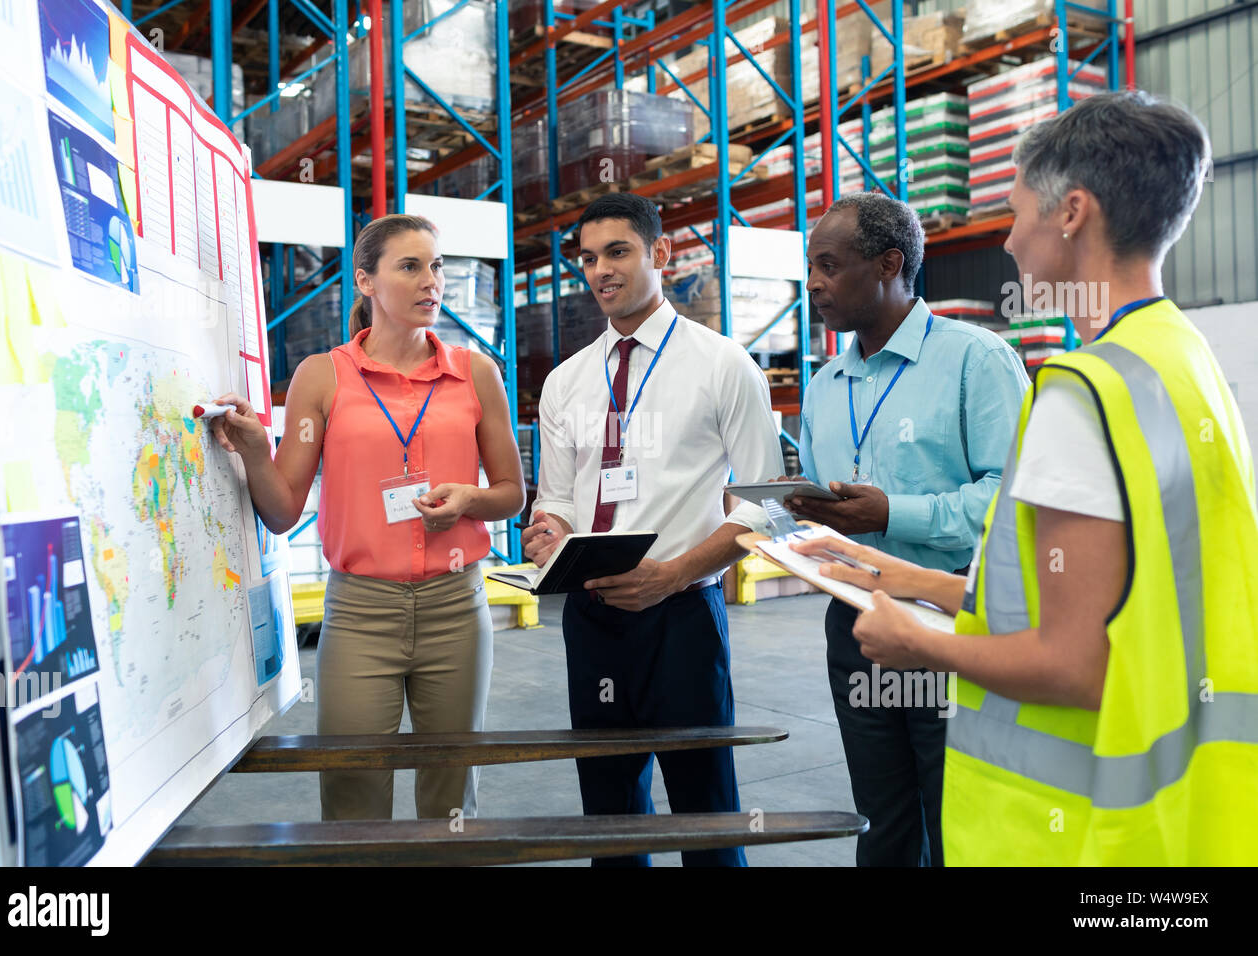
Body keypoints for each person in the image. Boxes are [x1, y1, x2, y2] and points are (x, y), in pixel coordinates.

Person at [793, 91, 1258, 865]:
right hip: (1187, 793)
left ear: (1071, 211)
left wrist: (920, 642)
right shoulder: (1183, 359)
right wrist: (920, 581)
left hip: (1093, 817)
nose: (1008, 242)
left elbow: (1073, 662)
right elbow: (1108, 592)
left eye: (1015, 214)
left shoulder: (1082, 392)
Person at [209, 213, 525, 821]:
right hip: (359, 613)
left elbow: (512, 492)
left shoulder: (476, 374)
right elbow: (281, 512)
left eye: (437, 266)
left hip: (456, 607)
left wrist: (469, 500)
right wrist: (253, 448)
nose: (431, 280)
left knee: (451, 792)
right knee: (351, 789)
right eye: (410, 266)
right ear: (366, 281)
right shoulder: (323, 376)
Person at [522, 192, 784, 867]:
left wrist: (672, 574)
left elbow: (765, 506)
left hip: (682, 619)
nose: (600, 270)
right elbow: (555, 497)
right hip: (592, 619)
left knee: (707, 814)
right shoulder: (567, 382)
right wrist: (547, 529)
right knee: (610, 819)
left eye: (617, 251)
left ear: (660, 254)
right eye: (587, 258)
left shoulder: (724, 365)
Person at [788, 192, 1029, 866]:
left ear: (890, 263)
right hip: (855, 623)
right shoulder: (827, 384)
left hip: (948, 617)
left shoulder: (976, 362)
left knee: (957, 818)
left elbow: (1010, 504)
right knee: (882, 819)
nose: (813, 284)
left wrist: (891, 513)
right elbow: (827, 499)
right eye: (811, 266)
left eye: (830, 266)